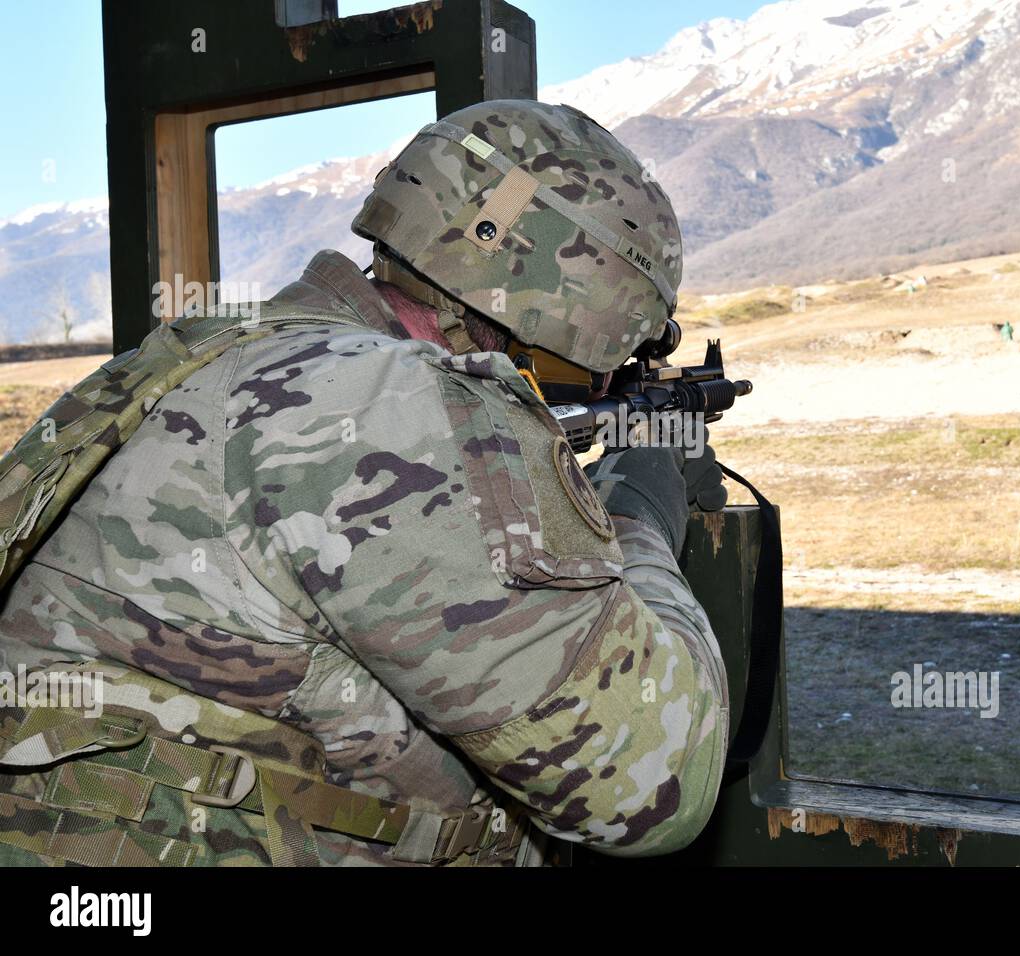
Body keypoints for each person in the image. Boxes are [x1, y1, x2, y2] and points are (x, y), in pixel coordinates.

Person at [0, 100, 728, 867]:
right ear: (571, 286)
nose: (605, 374)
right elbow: (657, 783)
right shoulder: (395, 403)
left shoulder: (215, 350)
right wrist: (640, 510)